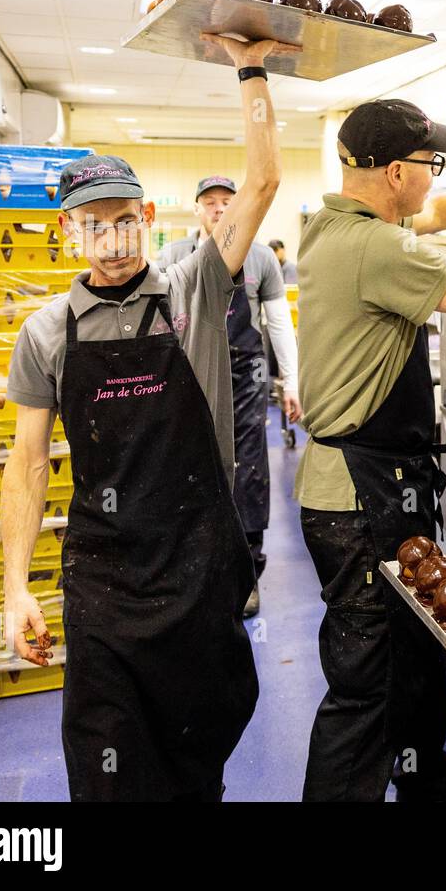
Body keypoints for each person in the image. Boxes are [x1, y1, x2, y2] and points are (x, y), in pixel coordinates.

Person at [0, 34, 299, 801]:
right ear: (68, 231)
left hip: (199, 566)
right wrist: (14, 585)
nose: (111, 238)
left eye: (124, 220)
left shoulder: (194, 287)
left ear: (148, 217)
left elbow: (262, 180)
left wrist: (251, 68)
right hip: (104, 580)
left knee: (196, 763)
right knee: (105, 765)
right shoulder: (45, 335)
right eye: (93, 224)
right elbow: (27, 463)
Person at [296, 99, 446, 802]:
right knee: (366, 684)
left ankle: (427, 782)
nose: (436, 180)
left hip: (375, 484)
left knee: (409, 655)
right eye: (429, 166)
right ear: (396, 172)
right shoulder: (379, 248)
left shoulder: (342, 222)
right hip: (356, 497)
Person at [158, 177, 301, 617]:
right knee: (190, 464)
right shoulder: (174, 256)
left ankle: (247, 574)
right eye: (210, 203)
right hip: (191, 369)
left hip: (245, 372)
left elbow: (277, 321)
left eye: (227, 203)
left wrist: (290, 381)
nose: (219, 210)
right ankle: (194, 570)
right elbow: (158, 322)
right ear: (197, 209)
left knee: (249, 466)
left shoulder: (260, 258)